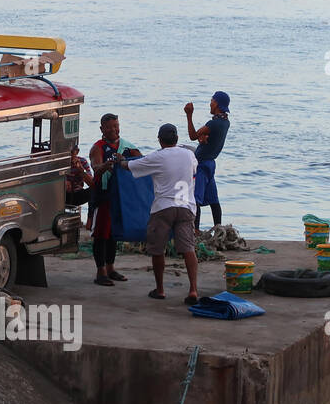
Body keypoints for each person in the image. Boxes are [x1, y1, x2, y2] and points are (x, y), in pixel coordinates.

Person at [121, 123, 200, 304]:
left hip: (163, 207)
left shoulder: (157, 157)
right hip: (186, 207)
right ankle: (193, 289)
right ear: (177, 139)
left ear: (160, 140)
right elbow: (194, 162)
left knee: (158, 250)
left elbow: (130, 166)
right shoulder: (189, 155)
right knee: (188, 249)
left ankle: (160, 289)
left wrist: (119, 161)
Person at [88, 113, 143, 286]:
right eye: (110, 127)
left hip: (119, 196)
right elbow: (95, 169)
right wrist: (107, 164)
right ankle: (100, 272)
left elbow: (141, 161)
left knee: (113, 233)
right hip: (103, 195)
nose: (114, 130)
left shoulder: (127, 147)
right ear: (102, 129)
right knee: (100, 235)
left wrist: (125, 161)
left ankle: (111, 268)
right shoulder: (98, 147)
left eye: (116, 126)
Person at [185, 91, 231, 231]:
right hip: (210, 164)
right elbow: (207, 138)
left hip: (202, 164)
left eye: (211, 101)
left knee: (196, 199)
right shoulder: (225, 122)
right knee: (213, 200)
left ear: (216, 103)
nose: (210, 104)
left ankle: (196, 231)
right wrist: (203, 138)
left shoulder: (213, 123)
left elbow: (193, 136)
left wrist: (189, 115)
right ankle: (219, 229)